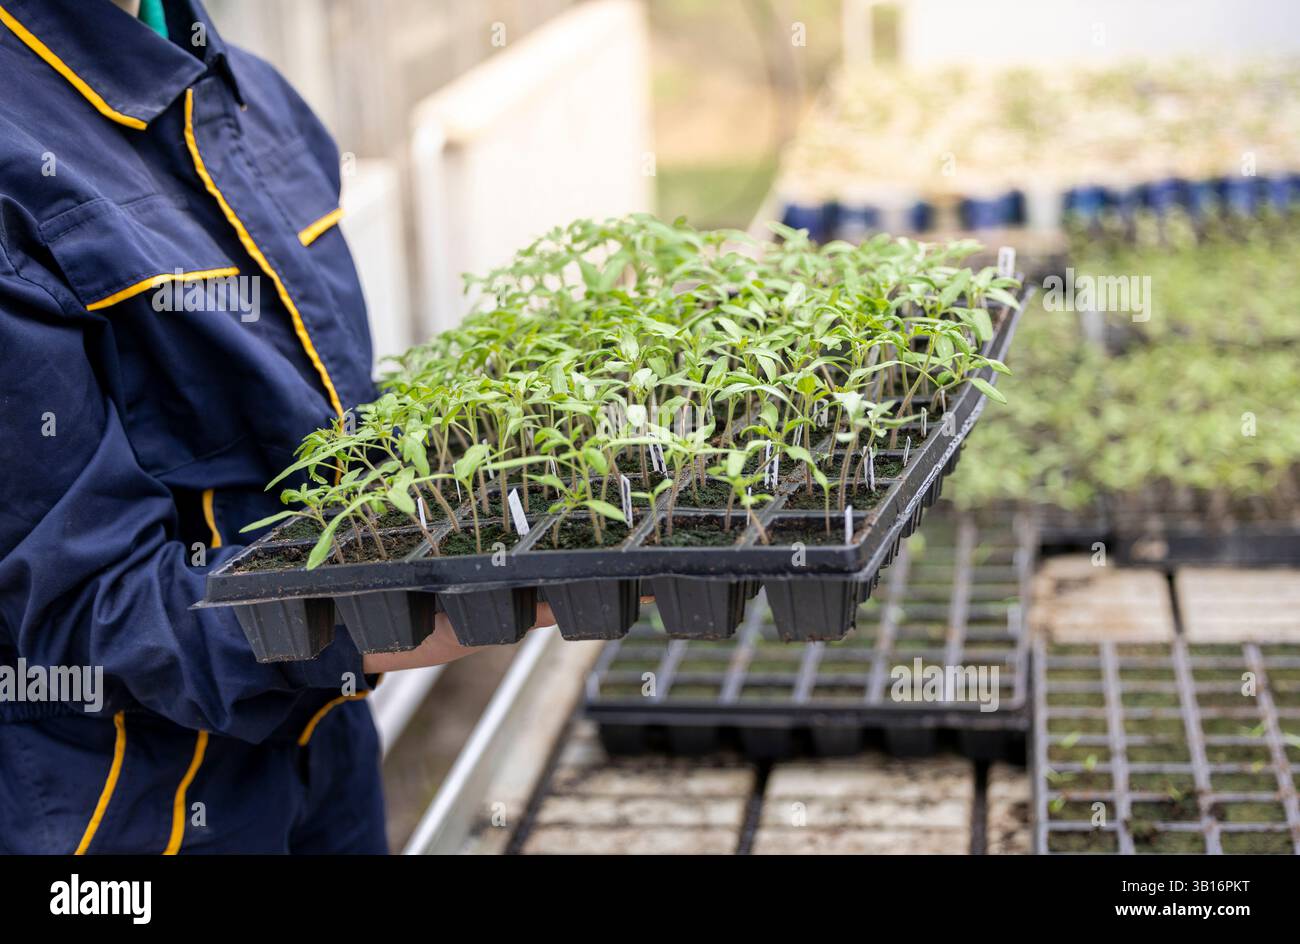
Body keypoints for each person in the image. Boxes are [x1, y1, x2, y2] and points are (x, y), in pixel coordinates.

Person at [0, 0, 550, 854]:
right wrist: (398, 614)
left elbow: (327, 444)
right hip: (131, 817)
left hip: (328, 766)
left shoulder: (250, 93)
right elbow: (91, 615)